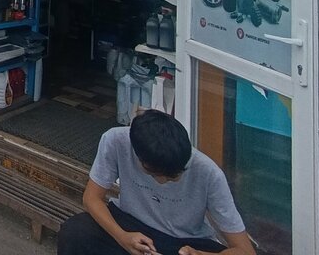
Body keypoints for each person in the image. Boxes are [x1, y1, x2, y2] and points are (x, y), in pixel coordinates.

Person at [58, 109, 255, 255]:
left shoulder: (208, 172)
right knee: (76, 232)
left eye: (175, 175)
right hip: (130, 224)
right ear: (140, 159)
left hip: (184, 241)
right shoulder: (116, 140)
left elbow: (245, 251)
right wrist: (122, 237)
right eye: (159, 175)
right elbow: (91, 198)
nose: (164, 182)